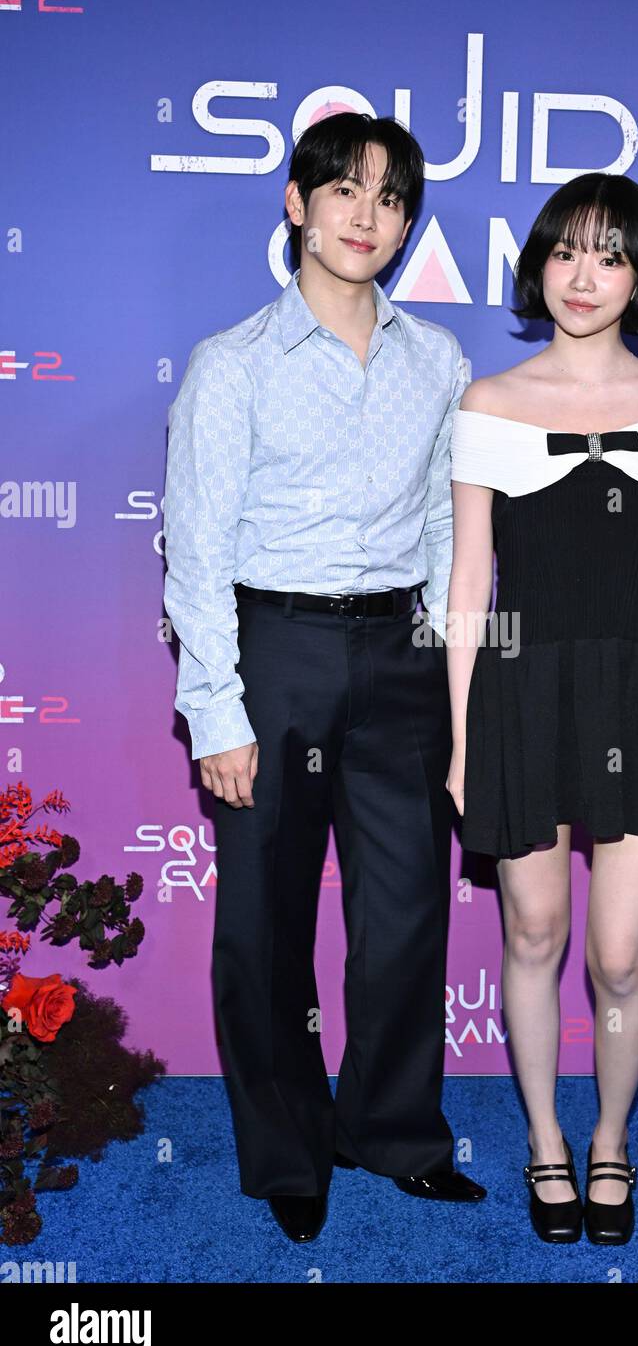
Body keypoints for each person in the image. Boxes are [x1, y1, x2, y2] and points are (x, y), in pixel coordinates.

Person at [162, 112, 485, 1245]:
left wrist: (457, 693)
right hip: (275, 653)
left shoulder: (438, 361)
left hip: (399, 656)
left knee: (406, 914)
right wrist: (217, 707)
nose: (367, 214)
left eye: (392, 197)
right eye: (344, 189)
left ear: (407, 224)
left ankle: (393, 1130)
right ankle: (290, 1147)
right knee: (264, 924)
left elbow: (452, 540)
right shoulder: (232, 365)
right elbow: (194, 550)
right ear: (296, 204)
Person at [445, 173, 638, 1246]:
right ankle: (544, 1138)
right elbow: (468, 585)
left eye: (610, 254)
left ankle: (610, 1135)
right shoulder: (489, 401)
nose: (583, 275)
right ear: (539, 266)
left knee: (619, 954)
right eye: (566, 250)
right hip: (523, 688)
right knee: (534, 927)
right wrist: (465, 735)